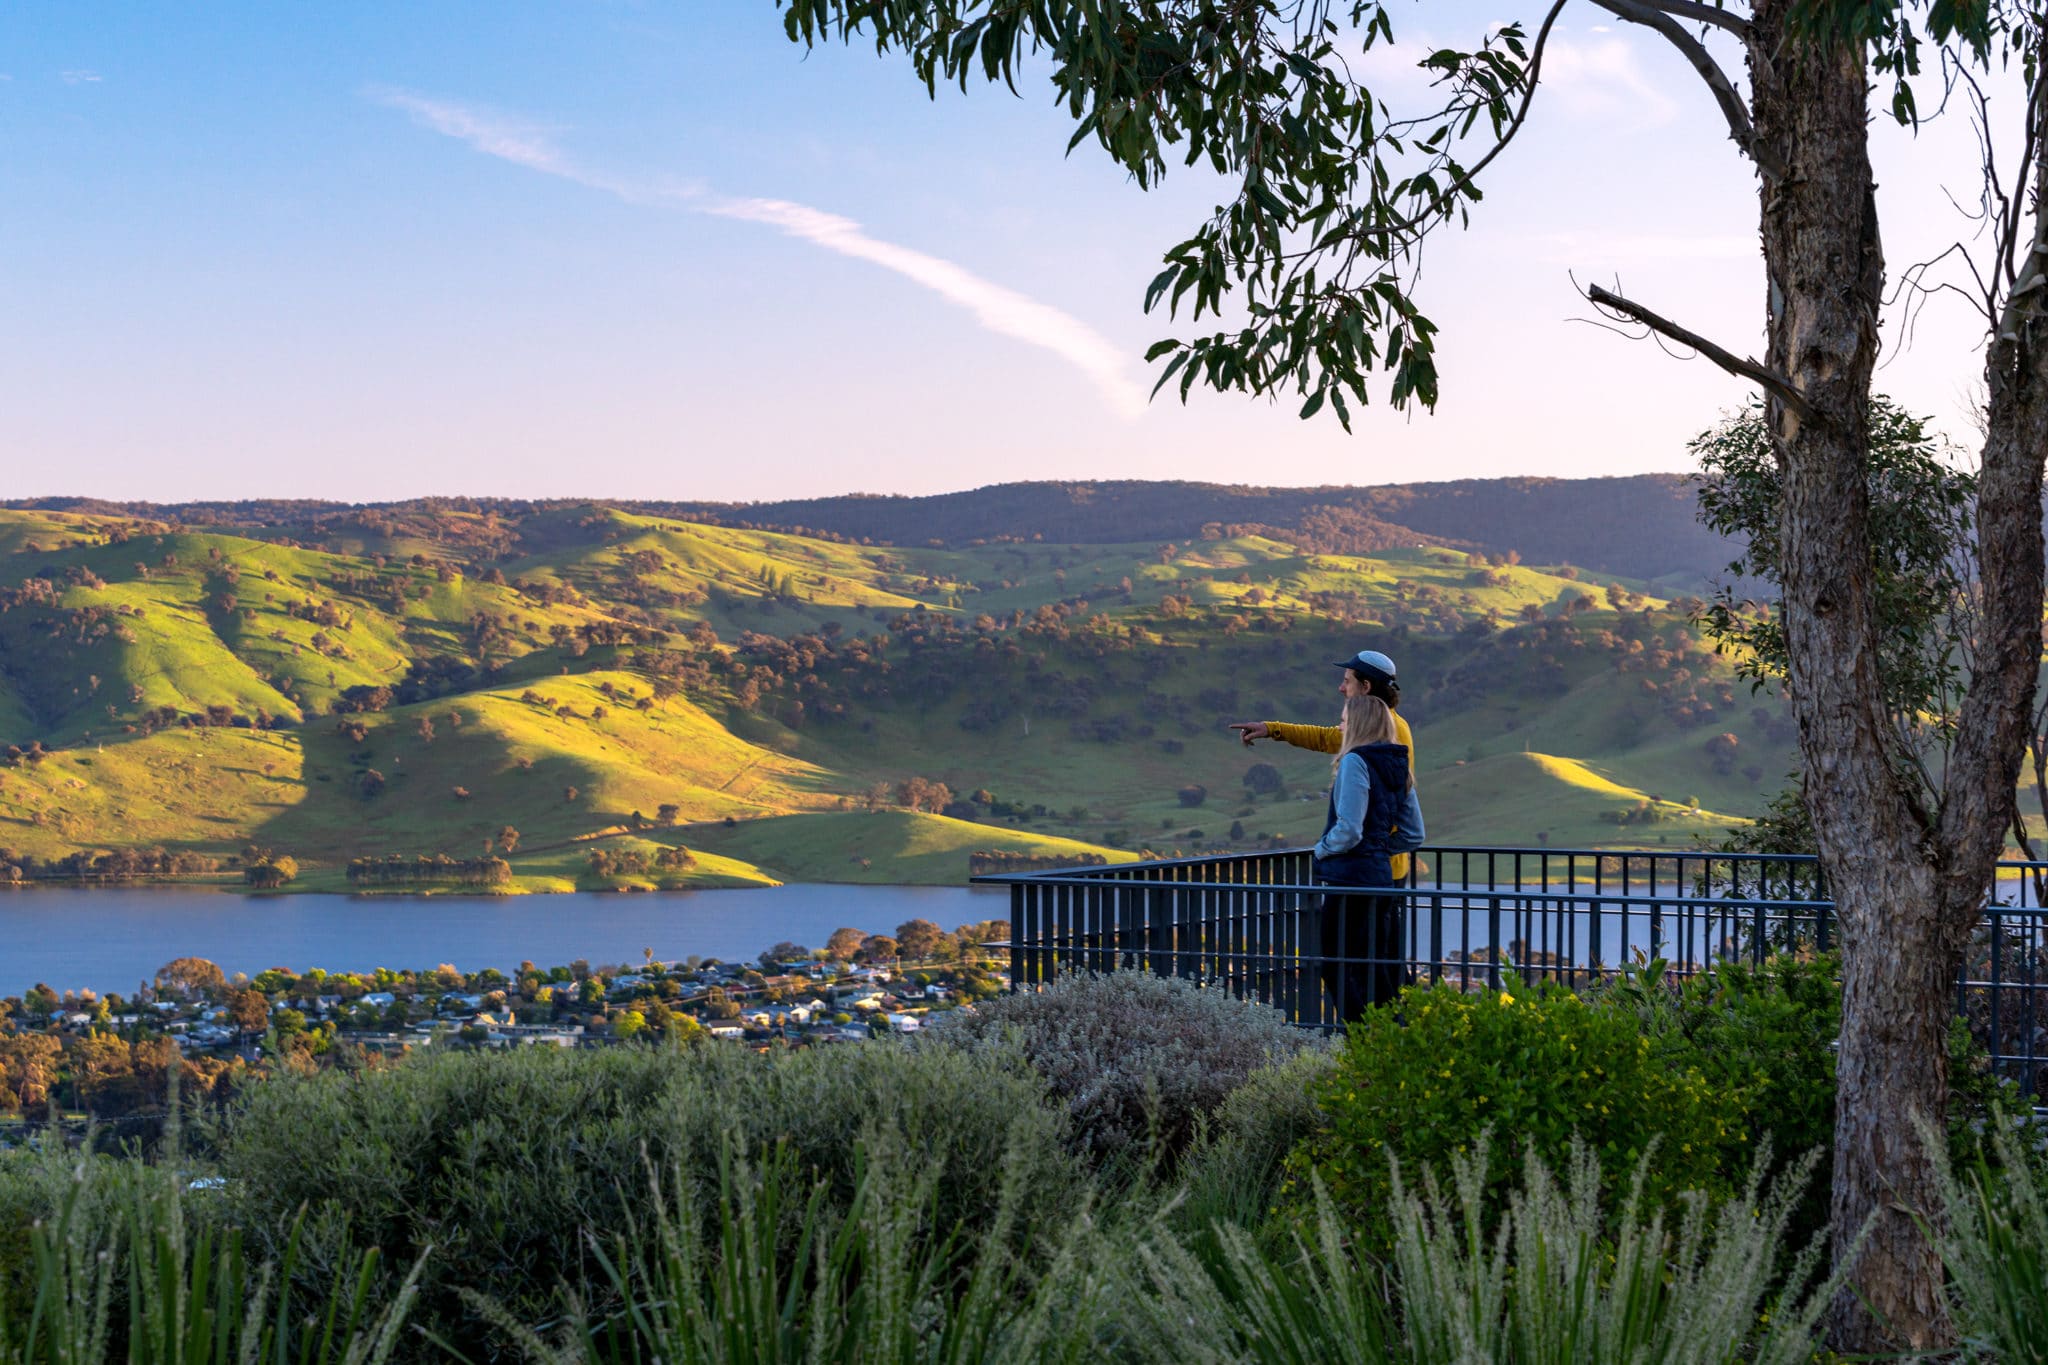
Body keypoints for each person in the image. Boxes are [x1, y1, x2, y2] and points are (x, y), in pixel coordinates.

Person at [1228, 649, 1419, 882]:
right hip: (1382, 868)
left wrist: (1327, 850)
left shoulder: (1382, 733)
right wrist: (1271, 729)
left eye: (1347, 681)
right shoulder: (1386, 725)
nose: (1341, 688)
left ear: (1365, 686)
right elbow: (1325, 737)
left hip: (1366, 871)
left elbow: (1352, 827)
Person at [1311, 692, 1424, 1021]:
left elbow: (1349, 829)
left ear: (1358, 724)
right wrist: (1379, 849)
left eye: (1344, 720)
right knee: (1375, 968)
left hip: (1350, 882)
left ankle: (1359, 1038)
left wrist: (1321, 850)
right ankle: (1390, 1037)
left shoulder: (1355, 761)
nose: (1340, 726)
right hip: (1383, 882)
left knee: (1336, 965)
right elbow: (1414, 834)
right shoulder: (1398, 763)